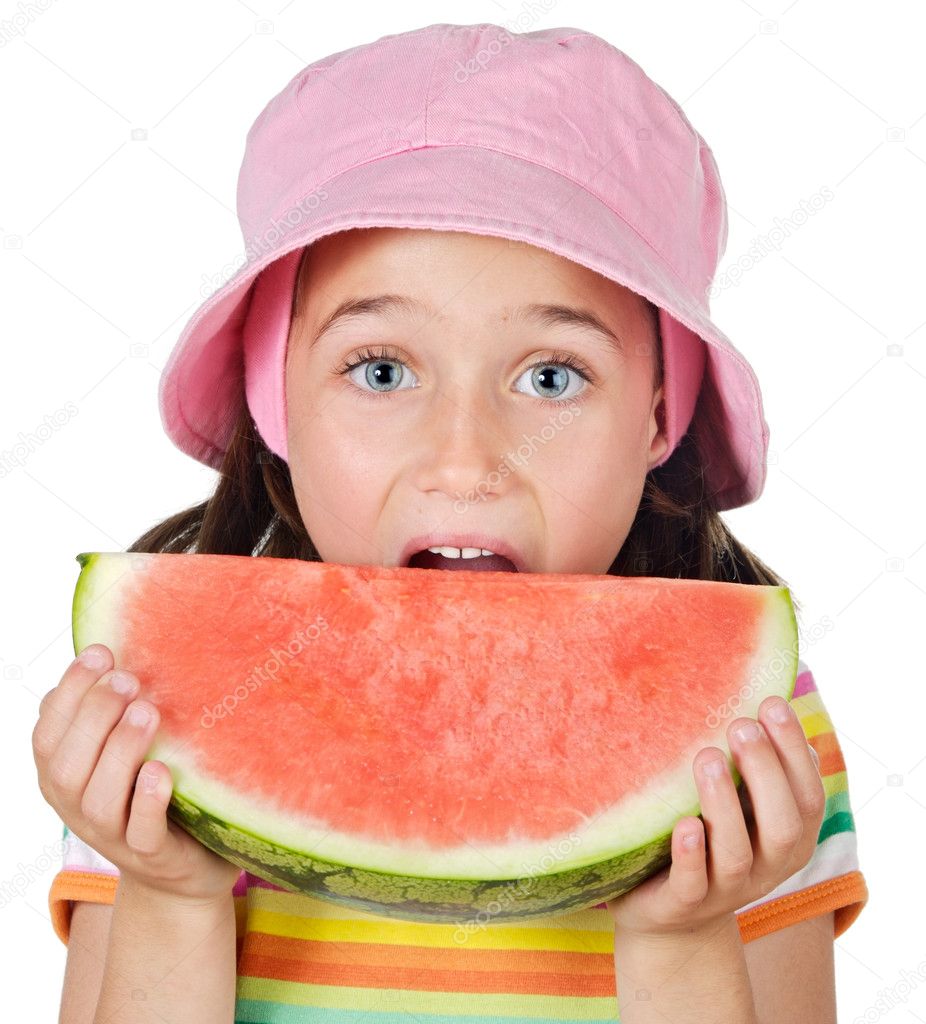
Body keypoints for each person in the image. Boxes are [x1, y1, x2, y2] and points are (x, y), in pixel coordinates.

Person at [33, 22, 868, 1023]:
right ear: (273, 400)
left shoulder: (749, 732)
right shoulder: (158, 717)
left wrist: (682, 941)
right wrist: (171, 897)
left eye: (550, 377)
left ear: (658, 415)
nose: (465, 461)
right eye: (382, 370)